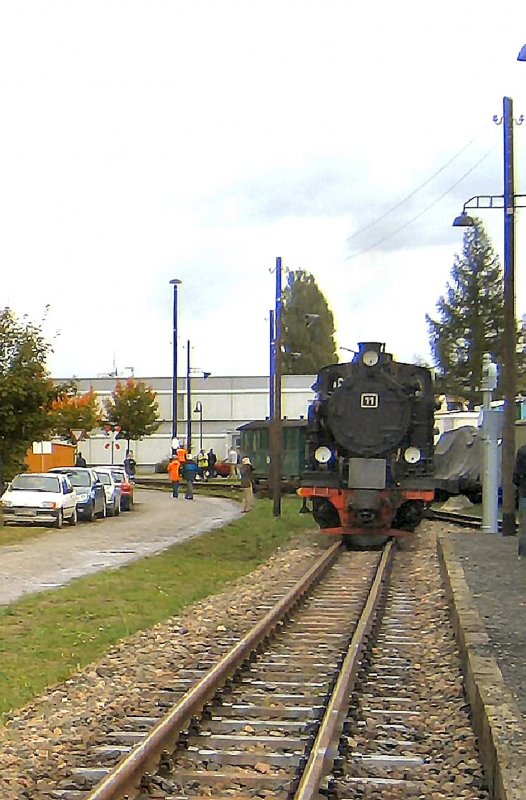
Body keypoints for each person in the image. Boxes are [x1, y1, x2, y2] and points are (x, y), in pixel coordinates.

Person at [513, 445, 526, 559]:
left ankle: (522, 552)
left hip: (525, 492)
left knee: (524, 524)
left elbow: (516, 475)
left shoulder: (522, 451)